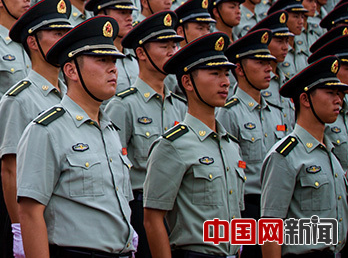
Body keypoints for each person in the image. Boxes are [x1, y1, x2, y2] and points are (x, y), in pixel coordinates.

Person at [16, 16, 136, 258]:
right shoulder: (47, 129)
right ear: (71, 70)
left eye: (114, 60)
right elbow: (30, 212)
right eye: (102, 60)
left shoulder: (110, 130)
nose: (113, 68)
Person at [143, 32, 246, 258]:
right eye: (215, 73)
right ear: (188, 82)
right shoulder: (173, 145)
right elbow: (152, 218)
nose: (226, 82)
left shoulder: (231, 146)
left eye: (227, 74)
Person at [0, 0, 73, 258]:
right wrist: (19, 228)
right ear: (33, 42)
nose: (64, 40)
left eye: (66, 33)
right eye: (56, 33)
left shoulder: (71, 95)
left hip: (68, 223)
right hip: (36, 223)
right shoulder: (19, 99)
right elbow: (9, 170)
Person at [106, 10, 187, 258]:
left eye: (174, 45)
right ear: (141, 53)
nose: (172, 51)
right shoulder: (123, 105)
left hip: (180, 208)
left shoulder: (181, 106)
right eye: (164, 46)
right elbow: (114, 169)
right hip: (140, 207)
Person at [260, 56, 348, 258]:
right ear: (305, 99)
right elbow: (270, 229)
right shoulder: (285, 155)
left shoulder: (330, 153)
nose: (338, 100)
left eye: (339, 93)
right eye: (330, 93)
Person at [217, 29, 290, 258]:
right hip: (247, 207)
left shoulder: (276, 113)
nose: (269, 68)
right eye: (260, 62)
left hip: (277, 208)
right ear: (239, 69)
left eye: (269, 62)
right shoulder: (229, 113)